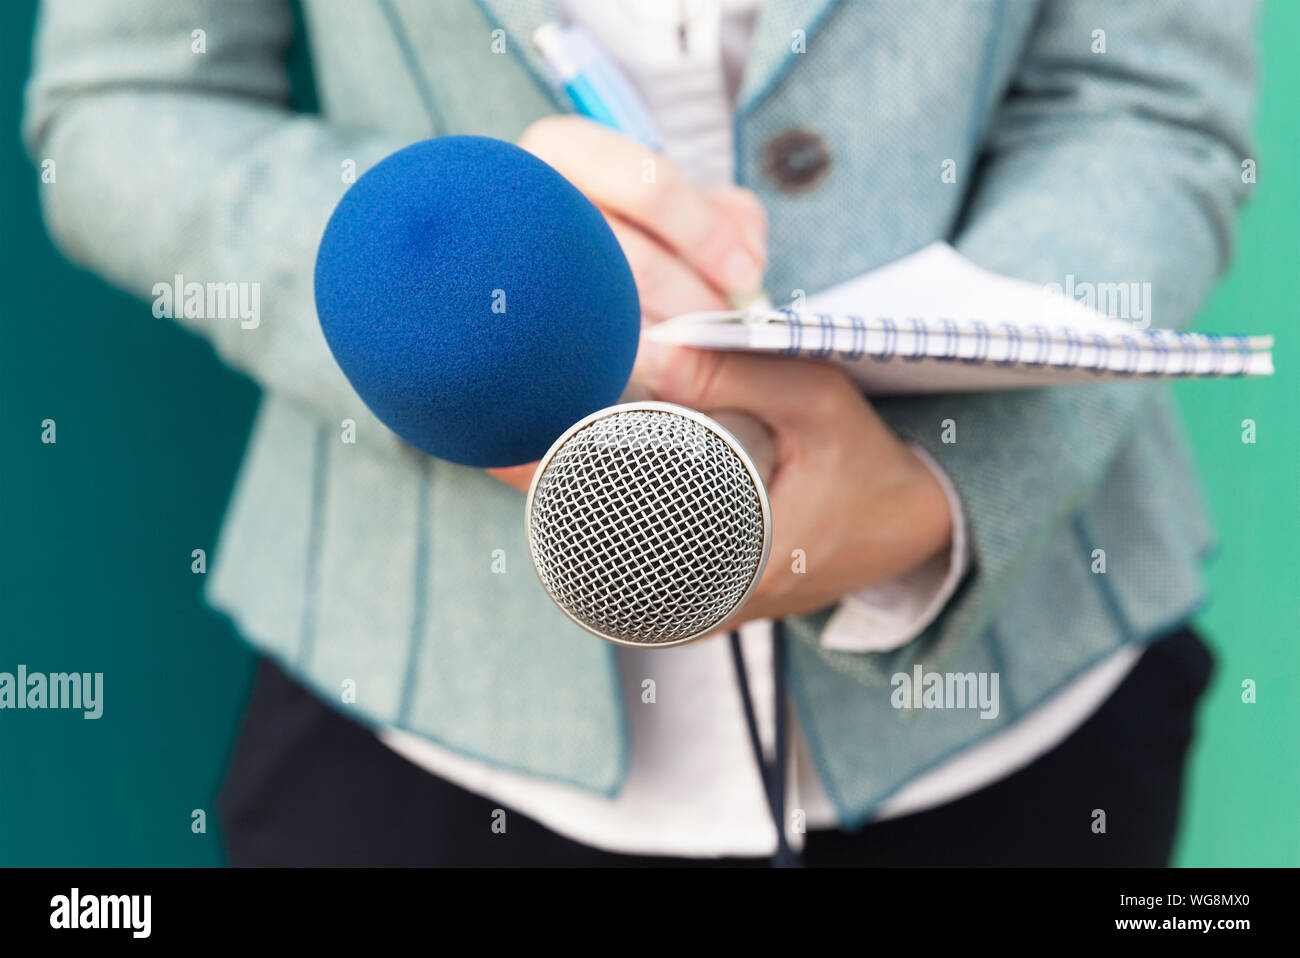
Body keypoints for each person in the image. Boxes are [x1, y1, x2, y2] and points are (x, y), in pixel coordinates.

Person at [23, 0, 1251, 866]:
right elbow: (121, 105)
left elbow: (1146, 102)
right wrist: (457, 290)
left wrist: (938, 484)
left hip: (1019, 716)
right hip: (423, 723)